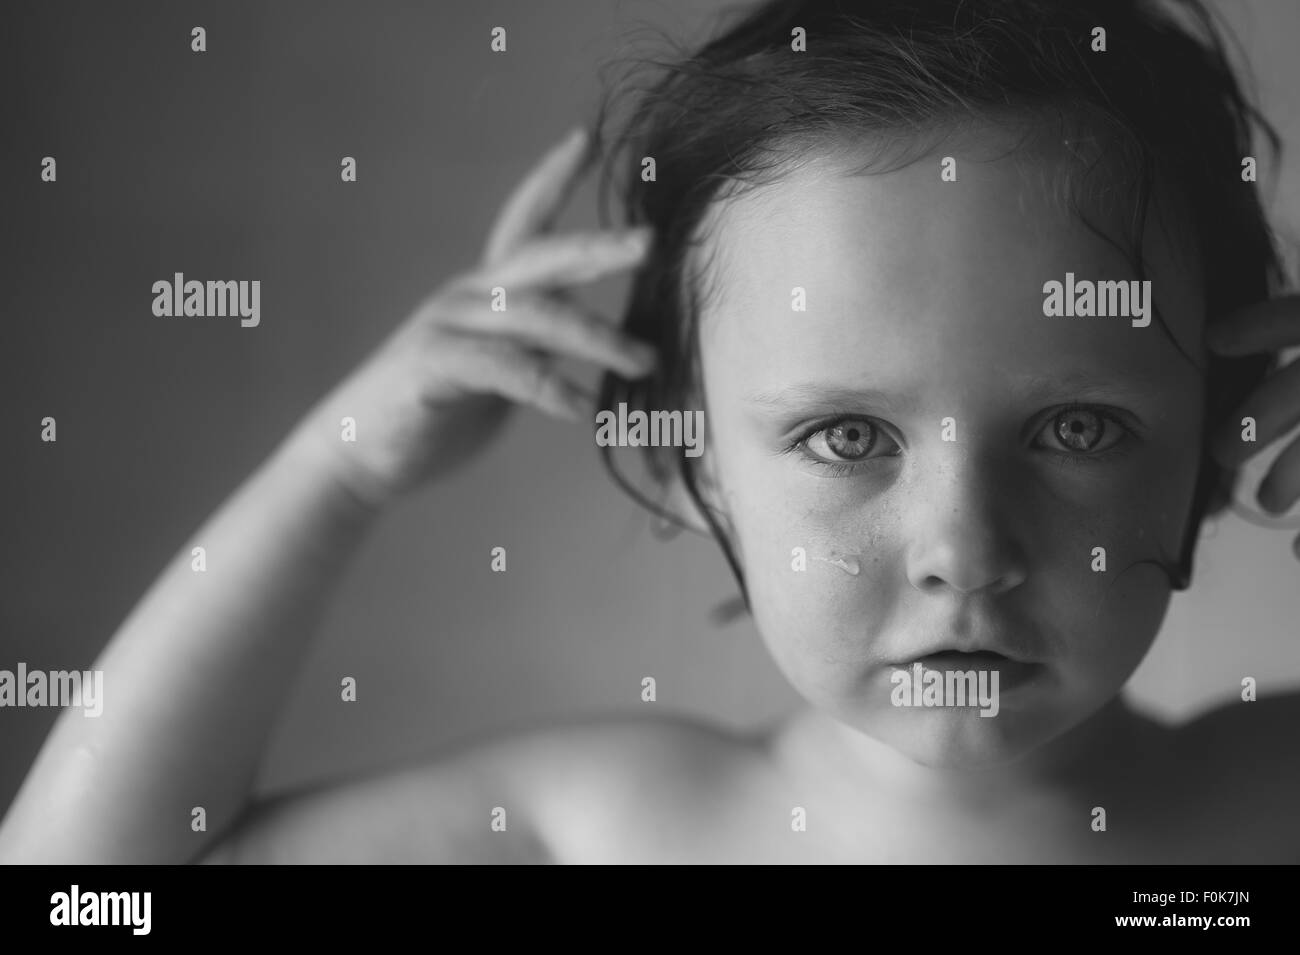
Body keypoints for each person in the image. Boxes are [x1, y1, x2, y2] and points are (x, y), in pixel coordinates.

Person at [4, 0, 1299, 863]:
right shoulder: (604, 835)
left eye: (1078, 425)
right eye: (846, 437)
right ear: (686, 461)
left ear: (1227, 434)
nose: (966, 548)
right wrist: (334, 475)